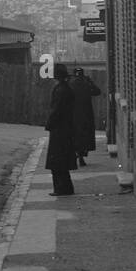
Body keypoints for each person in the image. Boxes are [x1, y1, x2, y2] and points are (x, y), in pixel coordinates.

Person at [44, 63, 77, 195]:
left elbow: (56, 110)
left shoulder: (60, 90)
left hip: (59, 129)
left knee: (57, 161)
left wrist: (49, 123)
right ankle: (66, 187)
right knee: (62, 160)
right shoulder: (67, 89)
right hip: (67, 128)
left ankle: (60, 188)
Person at [70, 67, 102, 166]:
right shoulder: (86, 84)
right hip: (86, 114)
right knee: (84, 136)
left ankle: (76, 154)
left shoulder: (71, 85)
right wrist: (90, 82)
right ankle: (81, 155)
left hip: (73, 114)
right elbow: (97, 91)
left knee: (75, 135)